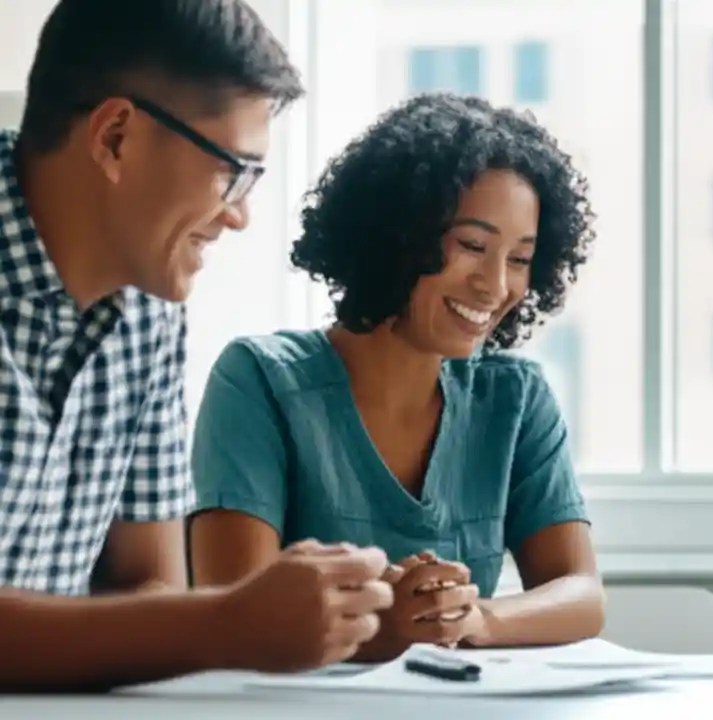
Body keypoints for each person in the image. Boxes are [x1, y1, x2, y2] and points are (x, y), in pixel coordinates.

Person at [0, 0, 394, 690]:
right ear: (116, 137)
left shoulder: (151, 310)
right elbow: (175, 619)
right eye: (232, 171)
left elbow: (145, 582)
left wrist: (282, 617)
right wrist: (226, 625)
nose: (239, 216)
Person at [189, 93, 604, 661]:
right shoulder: (260, 380)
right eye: (473, 246)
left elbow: (582, 595)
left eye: (518, 259)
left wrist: (475, 617)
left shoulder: (516, 398)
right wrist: (391, 624)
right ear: (397, 237)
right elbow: (236, 608)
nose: (495, 285)